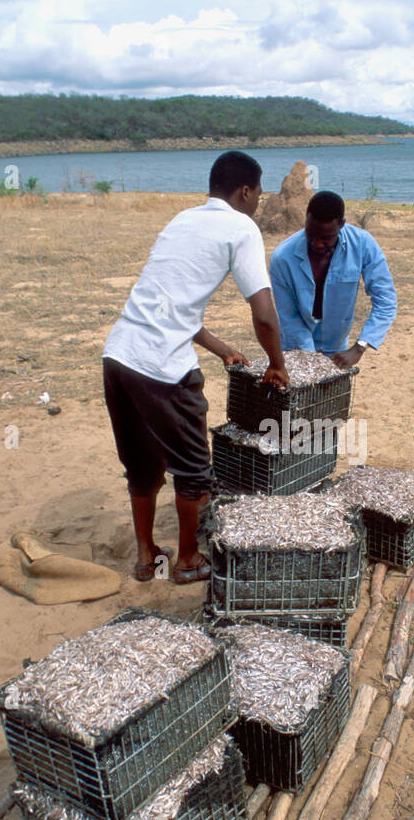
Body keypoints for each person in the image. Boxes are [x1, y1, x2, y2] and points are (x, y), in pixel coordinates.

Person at [102, 151, 288, 584]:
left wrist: (222, 349)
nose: (258, 202)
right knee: (194, 471)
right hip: (163, 369)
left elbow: (172, 307)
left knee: (143, 466)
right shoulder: (242, 227)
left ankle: (147, 556)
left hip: (120, 356)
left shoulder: (182, 220)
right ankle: (187, 560)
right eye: (258, 194)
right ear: (246, 191)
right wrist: (277, 365)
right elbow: (263, 313)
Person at [268, 191, 397, 368]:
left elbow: (386, 301)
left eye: (326, 238)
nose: (317, 244)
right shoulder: (282, 258)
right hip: (294, 350)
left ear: (342, 225)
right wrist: (312, 361)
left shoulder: (363, 244)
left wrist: (359, 348)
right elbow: (289, 316)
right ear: (305, 220)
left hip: (337, 351)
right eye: (311, 234)